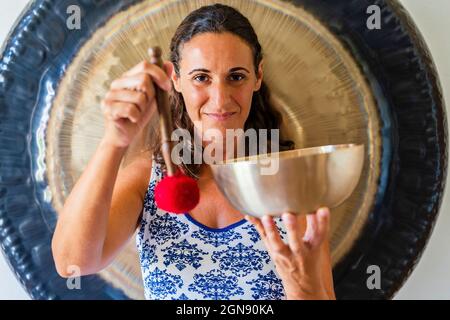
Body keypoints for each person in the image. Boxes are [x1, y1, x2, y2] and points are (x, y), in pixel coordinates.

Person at [52, 3, 335, 300]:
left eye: (236, 76)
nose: (220, 99)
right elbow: (72, 263)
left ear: (258, 76)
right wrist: (114, 140)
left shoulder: (294, 183)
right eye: (201, 77)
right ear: (175, 79)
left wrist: (299, 285)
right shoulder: (147, 177)